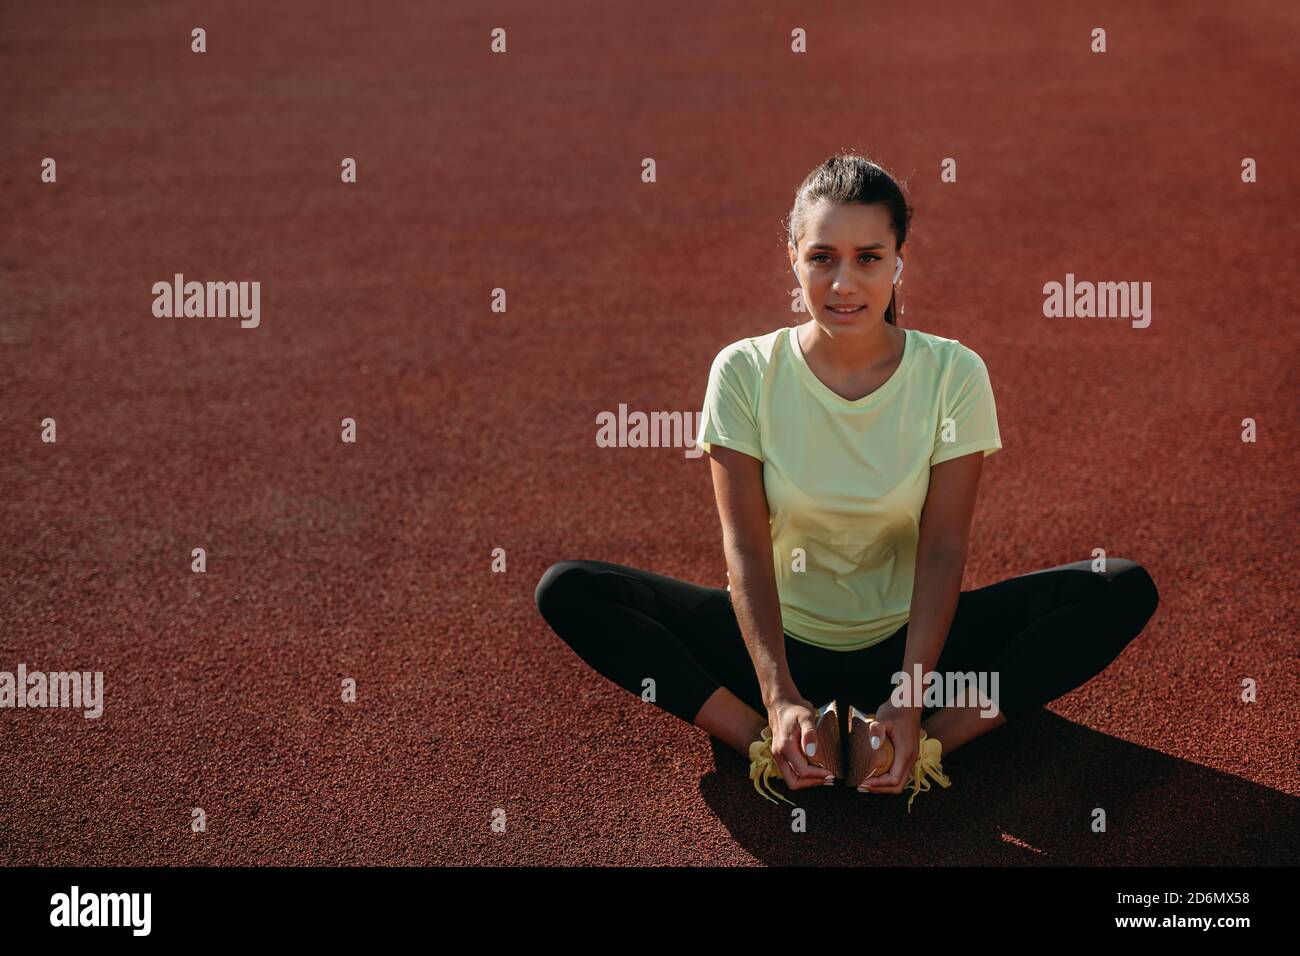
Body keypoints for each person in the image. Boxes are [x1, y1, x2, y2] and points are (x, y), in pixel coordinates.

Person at [534, 153, 1160, 810]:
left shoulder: (953, 374)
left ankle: (922, 745)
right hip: (778, 646)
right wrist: (775, 700)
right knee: (571, 590)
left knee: (1118, 588)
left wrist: (911, 702)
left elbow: (944, 549)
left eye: (868, 257)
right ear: (793, 259)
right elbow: (745, 548)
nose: (843, 282)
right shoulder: (745, 371)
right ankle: (765, 739)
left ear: (899, 262)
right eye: (821, 257)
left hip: (908, 646)